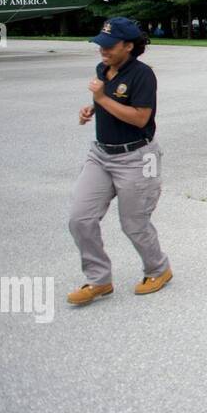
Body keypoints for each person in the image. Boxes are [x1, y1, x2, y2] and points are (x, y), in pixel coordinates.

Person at [67, 17, 171, 306]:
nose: (103, 50)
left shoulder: (142, 75)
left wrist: (100, 98)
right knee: (80, 218)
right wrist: (91, 108)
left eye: (109, 46)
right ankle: (99, 280)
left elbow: (140, 118)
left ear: (128, 46)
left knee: (134, 223)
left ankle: (158, 269)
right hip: (101, 155)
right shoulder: (103, 69)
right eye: (101, 44)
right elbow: (107, 101)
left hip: (138, 157)